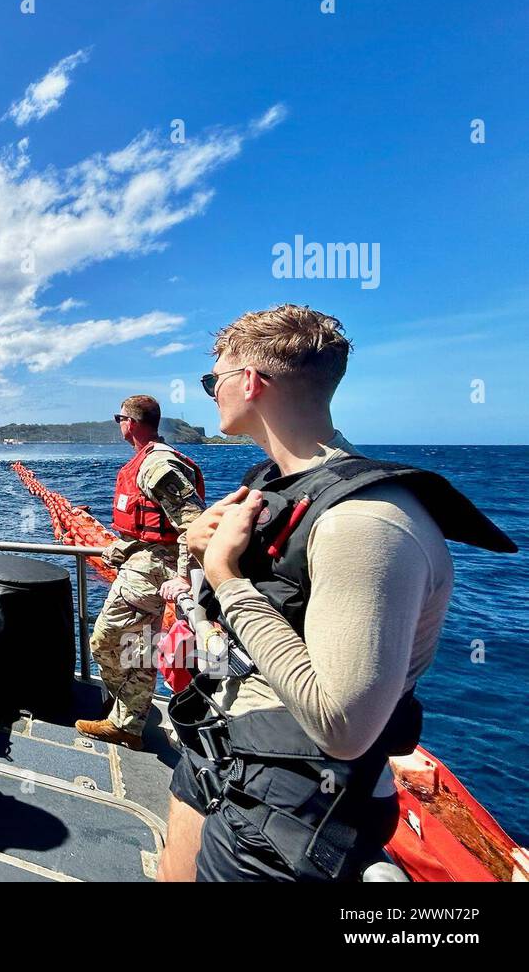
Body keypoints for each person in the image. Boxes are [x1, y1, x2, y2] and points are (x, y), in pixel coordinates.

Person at [157, 305, 515, 882]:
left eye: (212, 381)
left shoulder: (366, 522)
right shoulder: (266, 486)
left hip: (289, 801)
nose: (209, 394)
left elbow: (342, 727)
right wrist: (201, 561)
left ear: (249, 381)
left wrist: (226, 576)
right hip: (221, 744)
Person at [75, 395, 205, 751]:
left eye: (120, 418)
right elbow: (155, 528)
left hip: (154, 575)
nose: (119, 424)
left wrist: (182, 577)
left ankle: (123, 714)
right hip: (148, 565)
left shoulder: (156, 467)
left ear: (129, 423)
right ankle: (127, 723)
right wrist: (125, 547)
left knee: (104, 641)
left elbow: (193, 525)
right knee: (138, 646)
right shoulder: (148, 462)